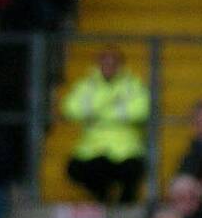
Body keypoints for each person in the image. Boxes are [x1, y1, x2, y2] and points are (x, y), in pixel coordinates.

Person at [62, 48, 150, 204]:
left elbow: (142, 110)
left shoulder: (133, 85)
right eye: (105, 63)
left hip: (126, 149)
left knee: (134, 171)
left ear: (120, 65)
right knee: (74, 170)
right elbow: (69, 108)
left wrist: (97, 115)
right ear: (98, 64)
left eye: (113, 63)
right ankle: (103, 198)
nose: (109, 67)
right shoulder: (86, 85)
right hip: (92, 149)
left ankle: (124, 205)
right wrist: (114, 110)